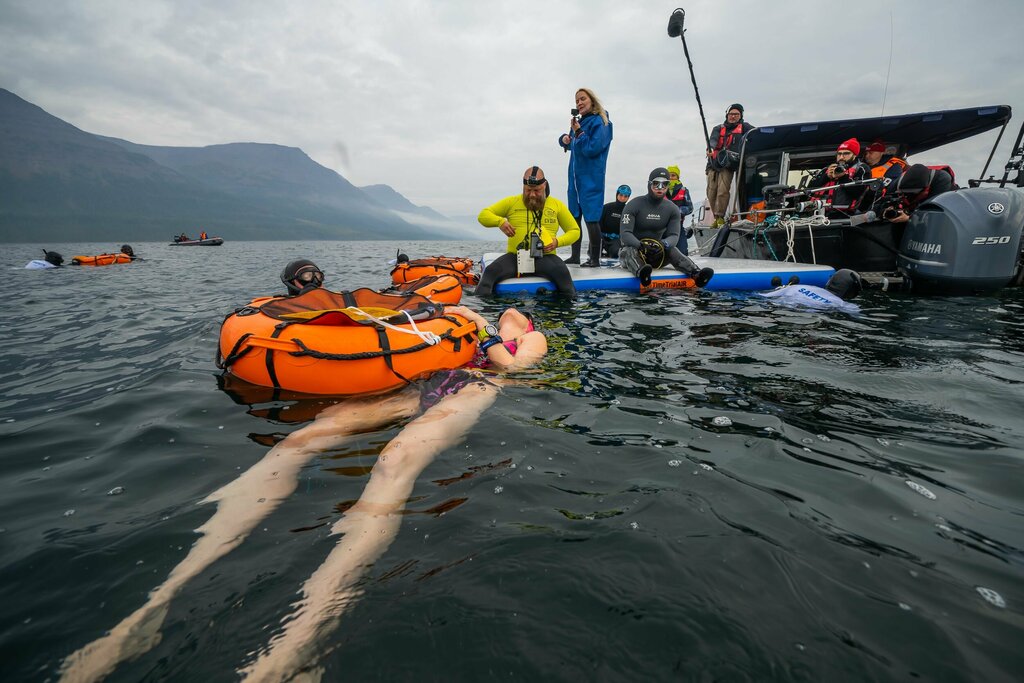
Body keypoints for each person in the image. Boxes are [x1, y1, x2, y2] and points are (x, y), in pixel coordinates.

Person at [59, 295, 546, 683]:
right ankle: (156, 603)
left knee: (395, 461)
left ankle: (303, 633)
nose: (508, 311)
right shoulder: (456, 317)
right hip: (414, 381)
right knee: (298, 442)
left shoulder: (529, 336)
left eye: (512, 312)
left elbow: (516, 370)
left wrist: (486, 335)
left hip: (473, 385)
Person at [476, 166, 580, 296]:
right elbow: (483, 215)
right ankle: (480, 316)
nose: (532, 195)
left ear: (545, 186)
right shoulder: (512, 202)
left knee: (564, 276)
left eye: (536, 190)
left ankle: (565, 315)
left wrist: (557, 241)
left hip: (546, 257)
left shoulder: (556, 205)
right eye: (528, 190)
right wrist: (500, 222)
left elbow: (575, 231)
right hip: (516, 257)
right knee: (490, 272)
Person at [619, 168, 715, 288]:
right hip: (633, 252)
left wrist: (663, 244)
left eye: (664, 184)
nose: (660, 187)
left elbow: (674, 236)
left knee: (672, 250)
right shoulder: (633, 205)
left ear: (668, 185)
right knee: (629, 250)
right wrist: (640, 245)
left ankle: (696, 274)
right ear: (649, 184)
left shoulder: (672, 209)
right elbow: (625, 234)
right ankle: (642, 273)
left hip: (656, 253)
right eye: (656, 183)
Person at [558, 87, 613, 266]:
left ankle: (594, 259)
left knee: (591, 218)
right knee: (574, 217)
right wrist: (565, 139)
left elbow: (592, 148)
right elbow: (573, 145)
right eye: (576, 101)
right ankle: (575, 256)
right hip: (574, 179)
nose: (579, 103)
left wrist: (579, 132)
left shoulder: (602, 122)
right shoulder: (579, 122)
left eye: (582, 99)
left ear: (592, 100)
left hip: (591, 178)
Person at [706, 103, 754, 226]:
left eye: (736, 114)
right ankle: (716, 216)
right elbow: (713, 140)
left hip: (728, 166)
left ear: (740, 115)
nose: (733, 116)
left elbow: (756, 133)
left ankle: (720, 217)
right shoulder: (718, 128)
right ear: (727, 115)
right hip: (713, 163)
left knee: (722, 190)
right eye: (731, 114)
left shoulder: (745, 127)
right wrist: (710, 148)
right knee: (711, 192)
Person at [872, 163, 956, 224]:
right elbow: (877, 205)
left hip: (941, 207)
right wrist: (884, 211)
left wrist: (910, 218)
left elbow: (936, 214)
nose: (908, 195)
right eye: (904, 193)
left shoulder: (942, 180)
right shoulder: (897, 184)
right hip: (912, 207)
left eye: (912, 193)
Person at [758, 268, 862, 314]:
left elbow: (762, 296)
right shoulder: (842, 304)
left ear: (830, 281)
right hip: (807, 316)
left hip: (777, 307)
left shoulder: (799, 287)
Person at [807, 138, 871, 212]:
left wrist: (843, 177)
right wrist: (826, 177)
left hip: (846, 214)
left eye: (846, 154)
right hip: (819, 213)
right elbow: (809, 190)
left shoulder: (861, 168)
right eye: (839, 154)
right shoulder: (828, 168)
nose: (841, 157)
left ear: (854, 155)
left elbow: (858, 192)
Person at [665, 165, 694, 254]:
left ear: (678, 177)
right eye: (668, 175)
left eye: (673, 175)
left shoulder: (684, 191)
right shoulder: (661, 190)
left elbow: (690, 208)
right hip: (662, 227)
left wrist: (677, 210)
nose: (671, 178)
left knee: (683, 252)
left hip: (678, 226)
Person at [598, 184, 631, 258]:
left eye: (625, 196)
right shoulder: (606, 207)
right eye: (621, 195)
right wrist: (600, 237)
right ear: (617, 194)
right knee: (593, 252)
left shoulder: (628, 211)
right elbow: (598, 225)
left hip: (617, 240)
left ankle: (610, 252)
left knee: (615, 253)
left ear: (628, 197)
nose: (622, 198)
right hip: (602, 237)